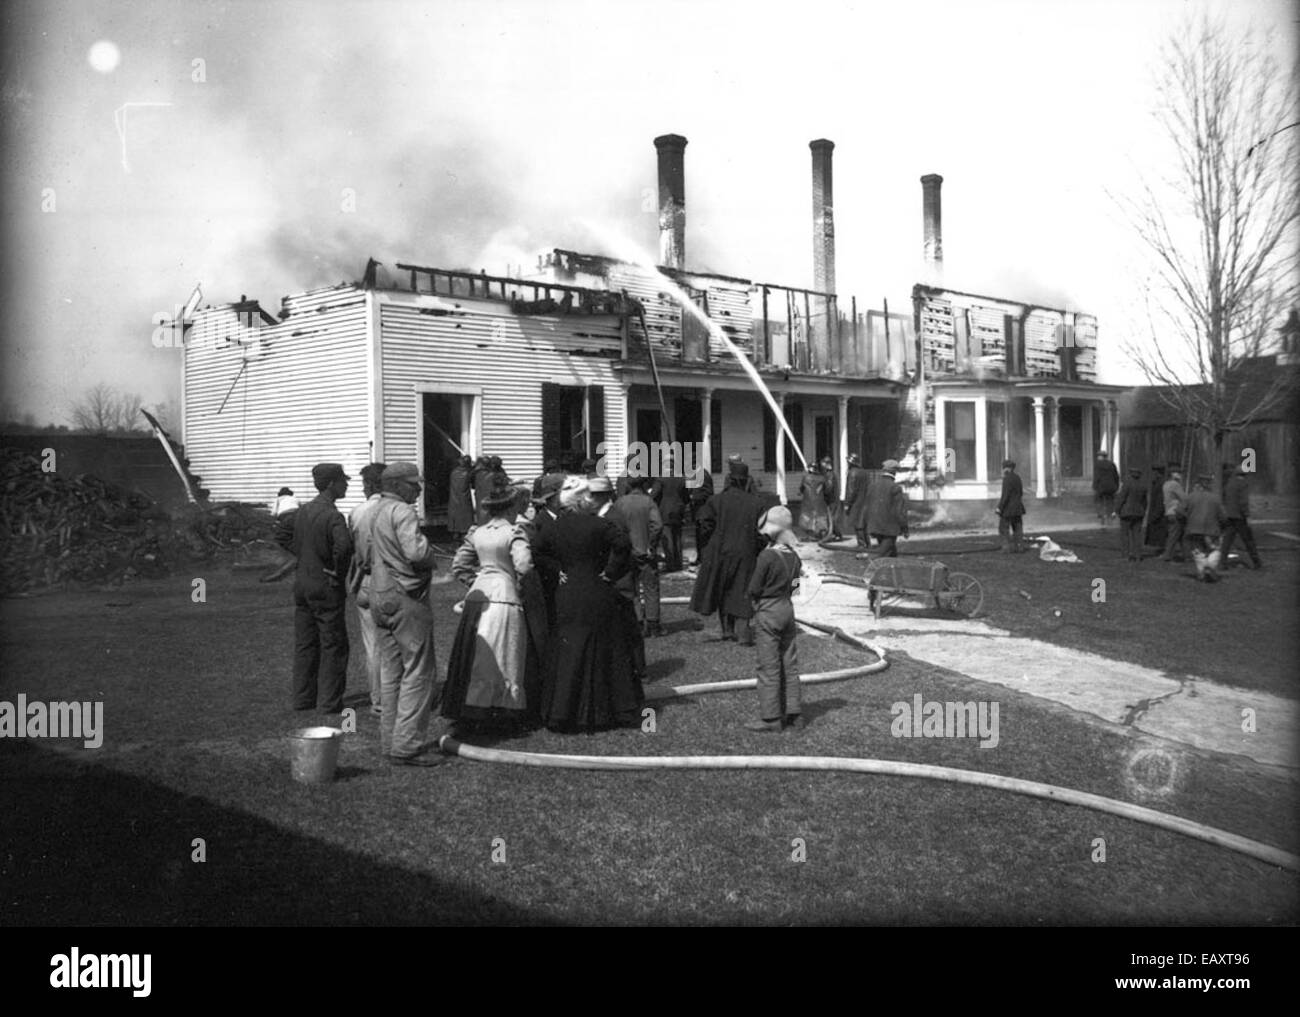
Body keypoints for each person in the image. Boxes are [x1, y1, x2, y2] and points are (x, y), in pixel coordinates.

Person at [536, 478, 641, 732]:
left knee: (569, 649)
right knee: (605, 647)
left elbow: (536, 551)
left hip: (568, 591)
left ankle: (563, 712)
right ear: (584, 499)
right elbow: (624, 546)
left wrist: (557, 569)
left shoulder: (554, 527)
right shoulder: (600, 524)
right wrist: (610, 572)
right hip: (596, 588)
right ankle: (610, 709)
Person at [366, 461, 445, 765]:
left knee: (391, 671)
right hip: (405, 595)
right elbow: (416, 552)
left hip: (378, 593)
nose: (419, 488)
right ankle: (408, 745)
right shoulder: (402, 512)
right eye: (414, 483)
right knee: (419, 671)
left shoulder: (371, 510)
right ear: (398, 485)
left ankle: (390, 741)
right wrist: (430, 551)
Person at [441, 484, 535, 731]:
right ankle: (504, 711)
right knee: (506, 654)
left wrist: (477, 582)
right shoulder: (515, 531)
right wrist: (517, 585)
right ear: (512, 507)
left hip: (478, 596)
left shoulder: (478, 532)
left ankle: (474, 709)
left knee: (478, 656)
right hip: (504, 596)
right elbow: (524, 565)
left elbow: (459, 564)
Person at [276, 463, 353, 715]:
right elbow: (343, 548)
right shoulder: (333, 516)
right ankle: (329, 703)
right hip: (325, 586)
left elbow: (281, 535)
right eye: (343, 481)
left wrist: (305, 554)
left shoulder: (302, 511)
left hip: (302, 584)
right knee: (333, 644)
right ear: (331, 484)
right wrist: (335, 569)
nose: (346, 485)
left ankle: (303, 699)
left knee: (306, 643)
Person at [744, 506, 804, 733]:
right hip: (787, 609)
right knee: (790, 663)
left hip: (768, 610)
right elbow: (796, 589)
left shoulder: (767, 556)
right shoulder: (795, 557)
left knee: (768, 665)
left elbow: (754, 588)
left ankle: (771, 718)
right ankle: (794, 713)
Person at [690, 462, 764, 645]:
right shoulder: (757, 503)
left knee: (723, 589)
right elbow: (763, 533)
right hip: (746, 552)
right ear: (746, 481)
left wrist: (709, 546)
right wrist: (756, 547)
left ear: (729, 480)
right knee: (742, 590)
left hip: (720, 551)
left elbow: (704, 524)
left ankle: (727, 630)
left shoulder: (716, 501)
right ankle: (743, 633)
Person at [347, 462, 387, 716]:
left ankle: (379, 700)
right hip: (390, 581)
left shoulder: (357, 512)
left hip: (364, 580)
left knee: (372, 645)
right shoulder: (398, 511)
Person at [608, 473, 664, 641]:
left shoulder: (619, 503)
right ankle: (653, 625)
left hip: (627, 552)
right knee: (651, 587)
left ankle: (638, 622)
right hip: (646, 552)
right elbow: (657, 525)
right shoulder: (648, 502)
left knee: (631, 588)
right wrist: (651, 546)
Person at [1184, 472, 1227, 582]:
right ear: (1209, 484)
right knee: (1215, 550)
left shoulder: (1191, 496)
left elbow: (1179, 511)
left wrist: (1188, 519)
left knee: (1198, 551)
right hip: (1212, 529)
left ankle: (1201, 571)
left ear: (1199, 484)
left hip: (1194, 529)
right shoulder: (1215, 498)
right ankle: (1211, 566)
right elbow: (1223, 516)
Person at [1220, 463, 1263, 570]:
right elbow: (1243, 502)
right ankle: (1257, 563)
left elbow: (1224, 498)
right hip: (1240, 516)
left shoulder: (1229, 483)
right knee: (1248, 540)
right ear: (1244, 475)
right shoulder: (1242, 484)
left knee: (1227, 541)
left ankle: (1222, 563)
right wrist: (1247, 515)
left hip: (1230, 515)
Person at [864, 459, 910, 558]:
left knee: (891, 554)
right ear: (894, 472)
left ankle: (893, 571)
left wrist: (868, 523)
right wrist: (904, 528)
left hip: (875, 525)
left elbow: (867, 506)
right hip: (889, 528)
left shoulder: (872, 485)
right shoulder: (895, 487)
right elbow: (899, 511)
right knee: (883, 555)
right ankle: (872, 572)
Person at [658, 451, 688, 573]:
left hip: (665, 510)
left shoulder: (661, 479)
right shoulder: (681, 478)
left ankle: (670, 564)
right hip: (678, 510)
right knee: (677, 537)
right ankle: (678, 563)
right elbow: (686, 496)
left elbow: (655, 494)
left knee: (667, 537)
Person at [1115, 466, 1148, 562]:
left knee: (1125, 535)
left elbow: (1122, 498)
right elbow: (1145, 502)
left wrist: (1116, 510)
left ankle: (1126, 555)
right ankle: (1137, 555)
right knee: (1137, 535)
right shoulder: (1143, 485)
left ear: (1131, 474)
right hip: (1139, 513)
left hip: (1126, 513)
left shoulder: (1127, 484)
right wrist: (1143, 511)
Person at [686, 461, 714, 565]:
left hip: (703, 511)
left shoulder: (704, 475)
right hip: (698, 512)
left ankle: (704, 558)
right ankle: (700, 557)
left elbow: (708, 493)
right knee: (698, 535)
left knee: (703, 536)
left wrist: (694, 497)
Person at [995, 458, 1025, 553]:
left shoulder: (1006, 479)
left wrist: (999, 508)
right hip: (1018, 508)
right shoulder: (1018, 478)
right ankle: (1019, 547)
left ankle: (1006, 548)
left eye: (1004, 468)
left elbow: (1005, 495)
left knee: (1003, 529)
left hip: (1008, 509)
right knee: (1018, 529)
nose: (1003, 470)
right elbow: (1020, 493)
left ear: (1007, 468)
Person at [1160, 464, 1188, 562]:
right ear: (1172, 474)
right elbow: (1184, 498)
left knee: (1181, 535)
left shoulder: (1166, 484)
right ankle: (1168, 555)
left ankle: (1187, 555)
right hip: (1176, 512)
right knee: (1174, 535)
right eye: (1178, 473)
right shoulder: (1175, 485)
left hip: (1168, 511)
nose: (1180, 475)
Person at [845, 453, 871, 547]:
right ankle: (867, 543)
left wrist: (847, 503)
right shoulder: (865, 472)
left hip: (856, 502)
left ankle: (862, 544)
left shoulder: (852, 472)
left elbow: (851, 490)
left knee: (858, 524)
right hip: (865, 501)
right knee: (863, 524)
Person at [797, 464, 830, 541]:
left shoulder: (806, 477)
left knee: (807, 518)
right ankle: (819, 534)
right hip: (820, 502)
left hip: (808, 502)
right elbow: (827, 490)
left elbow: (801, 488)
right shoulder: (822, 478)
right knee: (820, 517)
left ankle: (811, 535)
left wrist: (800, 492)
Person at [446, 455, 474, 542]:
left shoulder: (454, 472)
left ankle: (455, 534)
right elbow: (473, 484)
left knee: (455, 516)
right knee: (465, 517)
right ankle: (463, 536)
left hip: (454, 497)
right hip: (464, 498)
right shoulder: (468, 473)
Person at [1144, 464, 1168, 552]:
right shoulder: (1157, 482)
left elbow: (1160, 501)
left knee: (1160, 535)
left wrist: (1155, 515)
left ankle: (1163, 550)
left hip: (1159, 515)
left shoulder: (1161, 484)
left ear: (1158, 473)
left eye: (1155, 472)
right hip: (1157, 513)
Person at [1093, 450, 1119, 526]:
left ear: (1101, 457)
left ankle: (1101, 515)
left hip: (1101, 487)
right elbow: (1116, 476)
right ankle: (1110, 516)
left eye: (1098, 456)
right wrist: (1116, 486)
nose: (1097, 457)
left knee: (1098, 500)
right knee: (1110, 502)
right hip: (1111, 487)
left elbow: (1096, 476)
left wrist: (1095, 486)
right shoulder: (1112, 464)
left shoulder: (1098, 465)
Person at [821, 455, 843, 541]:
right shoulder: (828, 474)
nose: (822, 464)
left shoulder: (829, 474)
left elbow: (829, 487)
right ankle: (834, 534)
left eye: (823, 463)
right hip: (832, 499)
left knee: (832, 518)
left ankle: (837, 534)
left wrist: (824, 494)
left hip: (832, 500)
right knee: (830, 518)